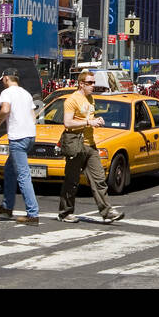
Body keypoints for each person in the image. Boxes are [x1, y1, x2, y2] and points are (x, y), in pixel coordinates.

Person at [58, 72, 122, 224]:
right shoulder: (72, 100)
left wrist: (96, 120)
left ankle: (107, 212)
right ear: (81, 84)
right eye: (90, 83)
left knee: (99, 179)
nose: (93, 85)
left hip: (90, 145)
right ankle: (65, 212)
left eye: (93, 82)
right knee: (72, 181)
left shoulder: (90, 98)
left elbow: (88, 118)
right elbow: (67, 123)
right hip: (76, 144)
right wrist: (88, 122)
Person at [0, 68, 39, 224]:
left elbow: (5, 109)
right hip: (30, 135)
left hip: (18, 137)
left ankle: (33, 213)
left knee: (23, 176)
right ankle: (7, 206)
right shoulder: (25, 93)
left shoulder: (7, 93)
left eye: (3, 80)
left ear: (6, 79)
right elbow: (33, 116)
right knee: (9, 170)